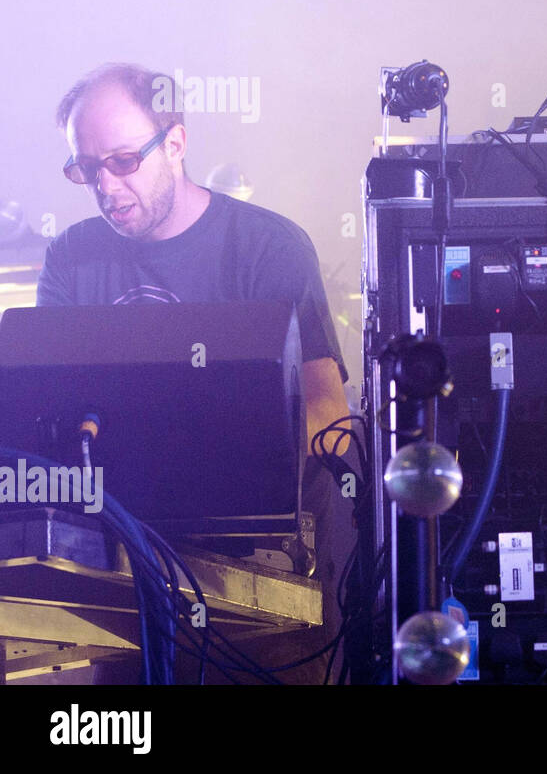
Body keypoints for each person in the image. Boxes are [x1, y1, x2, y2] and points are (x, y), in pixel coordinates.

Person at [37, 62, 354, 684]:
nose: (105, 186)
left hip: (267, 589)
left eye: (123, 161)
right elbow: (46, 406)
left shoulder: (269, 247)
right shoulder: (71, 257)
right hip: (127, 578)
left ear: (175, 144)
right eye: (87, 168)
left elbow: (328, 413)